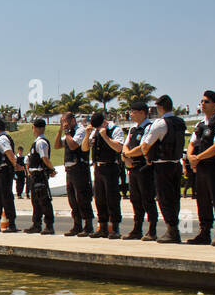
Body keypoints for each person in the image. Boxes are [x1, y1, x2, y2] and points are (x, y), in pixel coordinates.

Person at [139, 95, 185, 243]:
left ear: (160, 107)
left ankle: (171, 230)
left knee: (164, 199)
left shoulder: (160, 123)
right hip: (176, 163)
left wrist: (147, 156)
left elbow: (145, 145)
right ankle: (173, 228)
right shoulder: (180, 122)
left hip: (162, 165)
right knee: (175, 198)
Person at [186, 90, 215, 245]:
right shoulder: (200, 124)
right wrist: (191, 157)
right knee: (202, 200)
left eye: (206, 101)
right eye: (202, 101)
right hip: (200, 168)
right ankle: (204, 231)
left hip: (214, 167)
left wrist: (197, 158)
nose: (202, 104)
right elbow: (192, 143)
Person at [122, 102, 157, 240]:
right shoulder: (132, 129)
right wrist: (126, 156)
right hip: (132, 168)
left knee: (147, 199)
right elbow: (125, 146)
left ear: (142, 112)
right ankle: (137, 228)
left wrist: (128, 155)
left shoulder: (149, 127)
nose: (131, 114)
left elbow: (143, 147)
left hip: (144, 168)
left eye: (133, 111)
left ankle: (152, 229)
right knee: (135, 199)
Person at [86, 110, 124, 238]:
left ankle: (114, 227)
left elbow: (118, 148)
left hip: (111, 167)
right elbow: (85, 148)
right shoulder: (95, 132)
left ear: (104, 122)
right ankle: (102, 226)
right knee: (99, 198)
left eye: (98, 126)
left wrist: (105, 136)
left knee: (112, 198)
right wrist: (88, 135)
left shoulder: (115, 130)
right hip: (99, 168)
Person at [56, 112, 92, 236]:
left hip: (79, 168)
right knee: (72, 199)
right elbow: (57, 145)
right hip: (70, 169)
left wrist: (66, 132)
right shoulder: (68, 133)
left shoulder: (80, 131)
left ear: (72, 120)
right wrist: (60, 131)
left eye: (65, 121)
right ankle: (77, 225)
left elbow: (73, 146)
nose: (64, 124)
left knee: (82, 197)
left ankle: (88, 225)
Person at [23, 117, 55, 234]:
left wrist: (52, 169)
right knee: (35, 201)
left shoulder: (41, 142)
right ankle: (36, 224)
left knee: (44, 201)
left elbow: (44, 158)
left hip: (40, 174)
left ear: (35, 128)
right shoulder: (36, 142)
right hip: (34, 175)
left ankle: (49, 225)